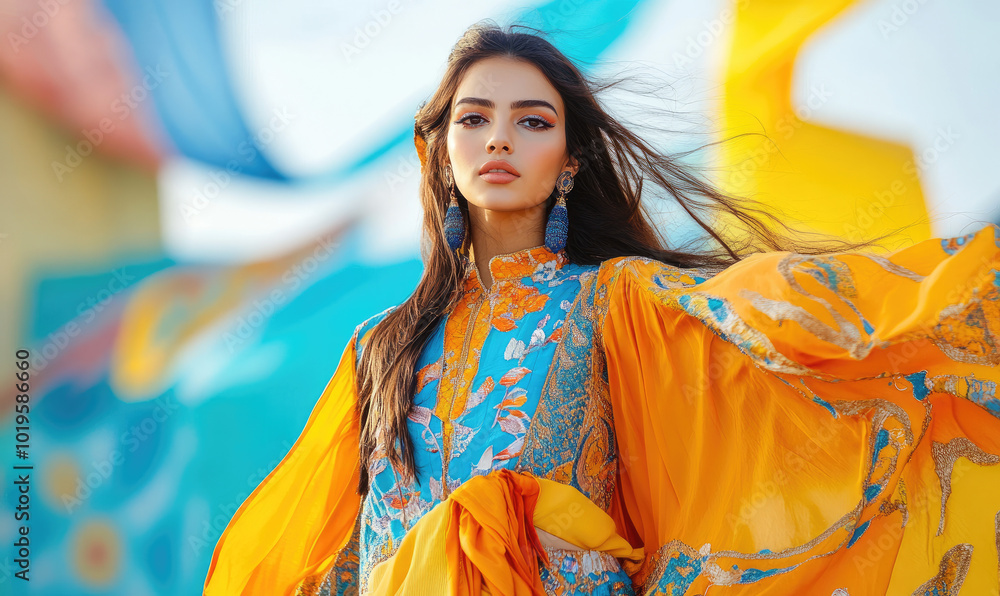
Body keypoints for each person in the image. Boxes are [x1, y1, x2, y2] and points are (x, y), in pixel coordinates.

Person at [203, 22, 1000, 596]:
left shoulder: (615, 301)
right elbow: (324, 562)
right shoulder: (380, 348)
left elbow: (787, 323)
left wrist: (962, 290)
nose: (500, 140)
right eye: (473, 119)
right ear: (439, 151)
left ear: (571, 161)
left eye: (533, 121)